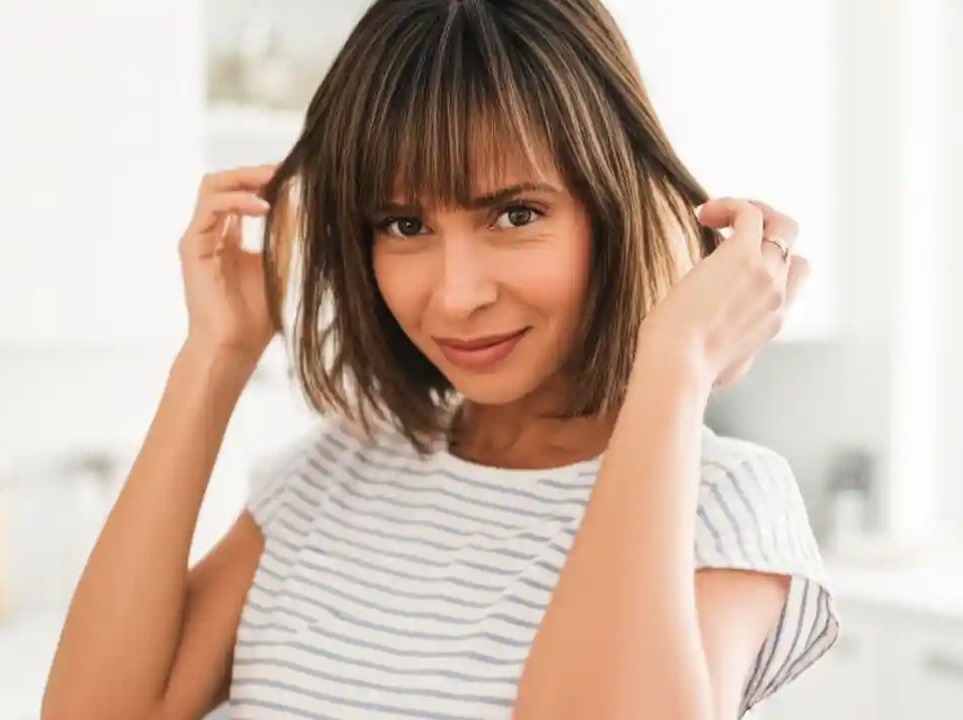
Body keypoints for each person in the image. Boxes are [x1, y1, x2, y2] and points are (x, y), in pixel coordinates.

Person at [42, 0, 838, 718]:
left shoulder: (724, 503)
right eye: (403, 225)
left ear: (611, 206)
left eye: (515, 214)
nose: (455, 297)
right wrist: (216, 351)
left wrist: (673, 366)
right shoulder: (329, 480)